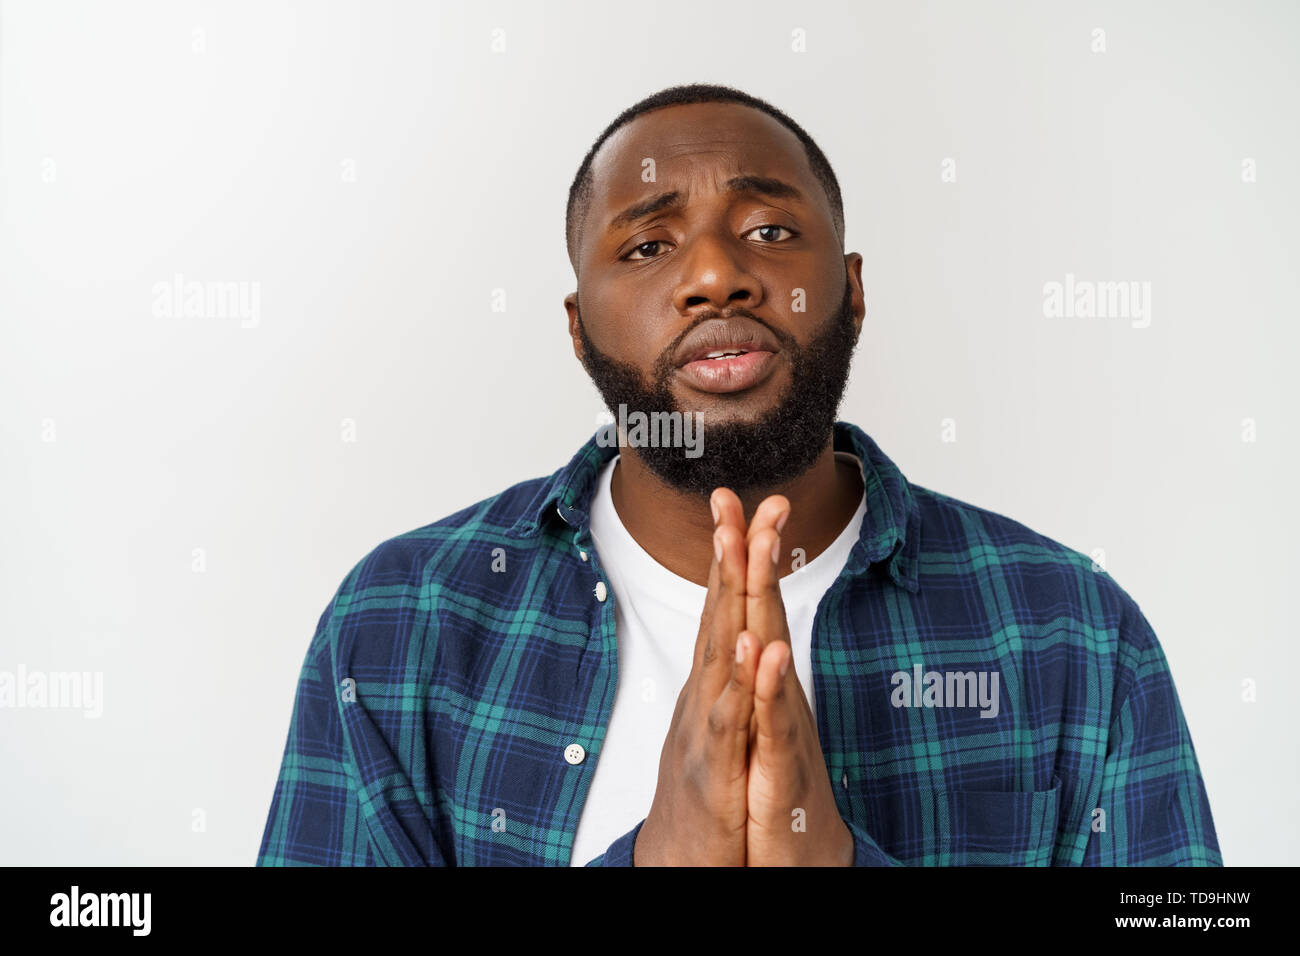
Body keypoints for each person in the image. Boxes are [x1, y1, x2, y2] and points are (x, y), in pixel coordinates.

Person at [256, 83, 1221, 866]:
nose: (717, 274)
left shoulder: (1075, 631)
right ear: (577, 324)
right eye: (647, 244)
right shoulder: (399, 623)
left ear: (852, 291)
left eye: (767, 232)